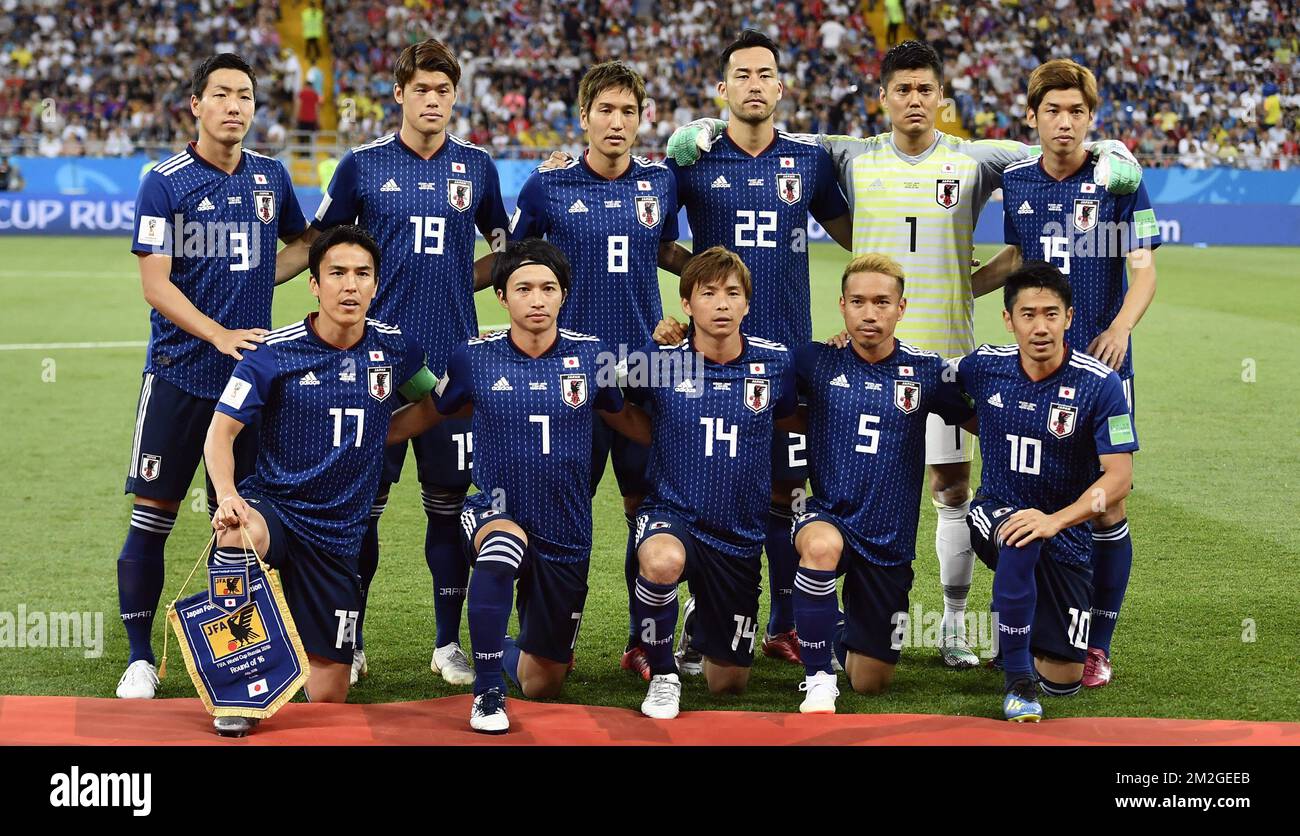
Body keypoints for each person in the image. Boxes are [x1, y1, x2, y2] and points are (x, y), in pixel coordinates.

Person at [668, 39, 1143, 670]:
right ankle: (801, 622)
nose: (915, 100)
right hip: (864, 359)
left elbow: (1056, 145)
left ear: (943, 98)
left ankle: (950, 627)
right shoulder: (851, 157)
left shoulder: (977, 161)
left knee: (952, 489)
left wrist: (1113, 148)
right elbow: (780, 135)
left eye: (926, 90)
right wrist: (704, 124)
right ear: (883, 98)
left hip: (947, 359)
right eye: (903, 90)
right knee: (830, 492)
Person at [277, 39, 509, 687]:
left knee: (446, 509)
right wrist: (261, 282)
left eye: (443, 90)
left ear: (454, 96)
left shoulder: (478, 168)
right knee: (359, 513)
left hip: (453, 373)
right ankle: (347, 643)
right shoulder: (361, 165)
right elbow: (319, 247)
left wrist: (466, 285)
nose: (432, 101)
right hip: (367, 373)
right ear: (400, 94)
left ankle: (445, 643)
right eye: (421, 90)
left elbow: (506, 249)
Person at [387, 238, 650, 734]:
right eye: (523, 288)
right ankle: (487, 691)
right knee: (502, 547)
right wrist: (369, 435)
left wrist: (677, 433)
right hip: (493, 510)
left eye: (548, 288)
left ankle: (508, 646)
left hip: (567, 528)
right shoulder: (472, 356)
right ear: (502, 297)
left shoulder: (593, 357)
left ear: (563, 295)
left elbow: (625, 418)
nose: (536, 298)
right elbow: (429, 411)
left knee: (542, 682)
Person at [653, 29, 853, 673]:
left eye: (766, 73)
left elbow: (856, 235)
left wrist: (863, 310)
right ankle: (699, 615)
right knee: (712, 490)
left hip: (787, 354)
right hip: (712, 358)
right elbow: (651, 237)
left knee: (787, 492)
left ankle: (785, 623)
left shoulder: (810, 161)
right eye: (742, 74)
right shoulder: (693, 162)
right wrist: (701, 289)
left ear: (781, 86)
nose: (755, 84)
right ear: (722, 89)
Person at [115, 53, 307, 700]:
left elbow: (302, 246)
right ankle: (141, 658)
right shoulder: (164, 181)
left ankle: (241, 651)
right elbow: (154, 283)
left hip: (250, 385)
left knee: (240, 520)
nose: (234, 106)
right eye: (221, 94)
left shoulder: (271, 177)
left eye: (245, 95)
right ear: (194, 104)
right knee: (154, 514)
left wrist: (280, 272)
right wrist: (219, 333)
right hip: (179, 372)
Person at [206, 225, 436, 736]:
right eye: (337, 274)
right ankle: (235, 685)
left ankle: (291, 627)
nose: (349, 286)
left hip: (338, 537)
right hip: (278, 509)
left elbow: (431, 402)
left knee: (329, 697)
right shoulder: (273, 353)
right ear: (314, 284)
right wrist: (228, 496)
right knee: (234, 534)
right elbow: (220, 433)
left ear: (376, 285)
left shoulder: (397, 349)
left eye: (362, 275)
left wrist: (382, 432)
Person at [510, 60, 688, 683]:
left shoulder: (661, 184)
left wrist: (695, 305)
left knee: (646, 508)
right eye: (605, 111)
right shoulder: (545, 187)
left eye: (628, 111)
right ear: (582, 118)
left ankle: (646, 639)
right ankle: (552, 633)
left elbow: (665, 251)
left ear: (642, 119)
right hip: (568, 381)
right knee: (561, 510)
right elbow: (516, 267)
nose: (617, 122)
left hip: (641, 373)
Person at [999, 59, 1160, 688]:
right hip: (1036, 363)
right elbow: (1018, 263)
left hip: (1104, 363)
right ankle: (1037, 628)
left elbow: (1143, 268)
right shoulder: (1016, 182)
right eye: (1053, 111)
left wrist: (1120, 327)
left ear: (1091, 119)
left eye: (1076, 112)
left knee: (1107, 503)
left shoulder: (1118, 178)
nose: (1065, 123)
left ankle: (1098, 643)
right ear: (1033, 117)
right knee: (1037, 493)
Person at [791, 254, 974, 713]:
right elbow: (741, 366)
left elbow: (983, 419)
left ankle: (836, 632)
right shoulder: (814, 360)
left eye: (881, 302)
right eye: (858, 302)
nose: (869, 313)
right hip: (829, 515)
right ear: (842, 305)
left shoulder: (927, 371)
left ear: (901, 307)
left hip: (889, 539)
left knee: (871, 682)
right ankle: (817, 677)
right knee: (819, 548)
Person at [956, 262, 1138, 721]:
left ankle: (1040, 634)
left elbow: (1120, 478)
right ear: (1008, 319)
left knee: (1065, 680)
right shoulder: (984, 365)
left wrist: (1056, 520)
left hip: (1066, 531)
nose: (1040, 327)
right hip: (995, 511)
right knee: (1022, 532)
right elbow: (925, 380)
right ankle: (1017, 679)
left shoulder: (1101, 384)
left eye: (1051, 314)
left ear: (1070, 318)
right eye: (1029, 314)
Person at [627, 247, 801, 719]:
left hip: (739, 534)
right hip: (673, 513)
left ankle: (696, 619)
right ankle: (663, 675)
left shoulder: (776, 365)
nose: (721, 304)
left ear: (747, 303)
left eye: (732, 293)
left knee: (728, 685)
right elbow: (616, 404)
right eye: (708, 293)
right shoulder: (659, 360)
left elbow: (789, 416)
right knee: (662, 560)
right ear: (687, 304)